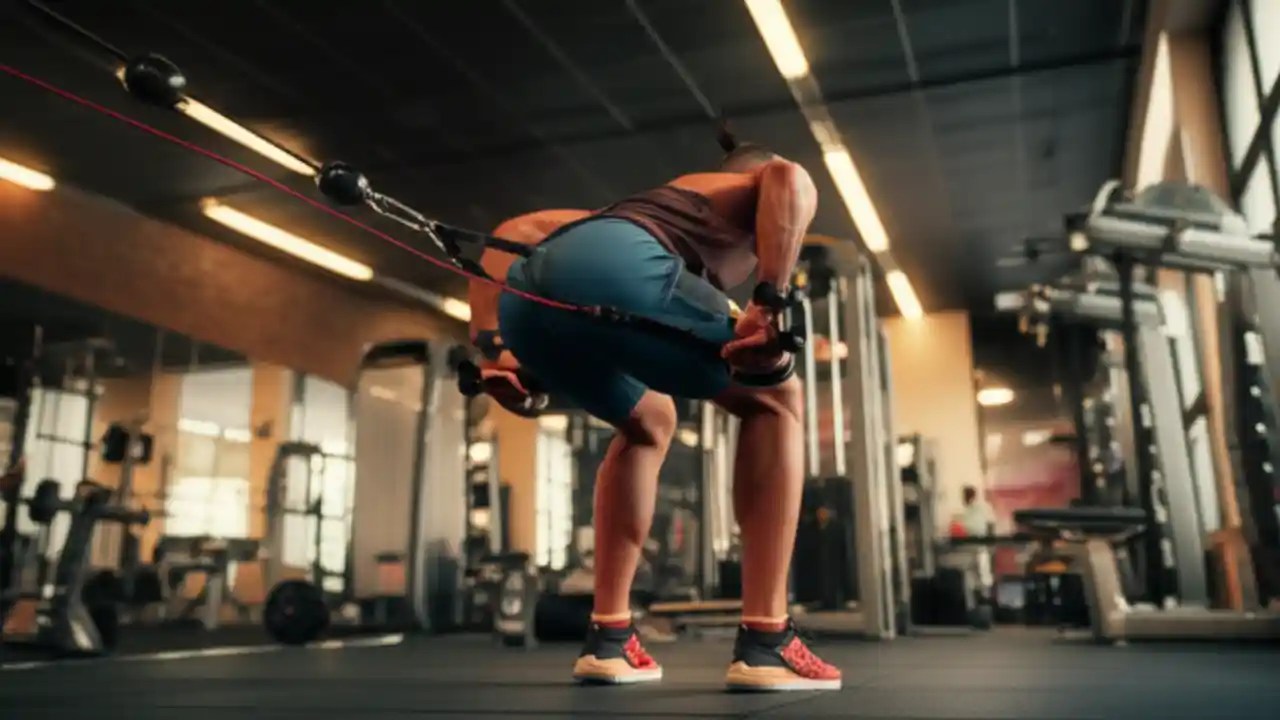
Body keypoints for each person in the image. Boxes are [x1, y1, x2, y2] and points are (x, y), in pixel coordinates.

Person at [466, 137, 840, 692]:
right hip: (617, 270)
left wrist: (493, 350)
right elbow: (791, 179)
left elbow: (519, 231)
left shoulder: (648, 207)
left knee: (650, 420)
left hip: (529, 300)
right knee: (776, 400)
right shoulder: (753, 184)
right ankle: (768, 639)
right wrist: (770, 302)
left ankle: (610, 637)